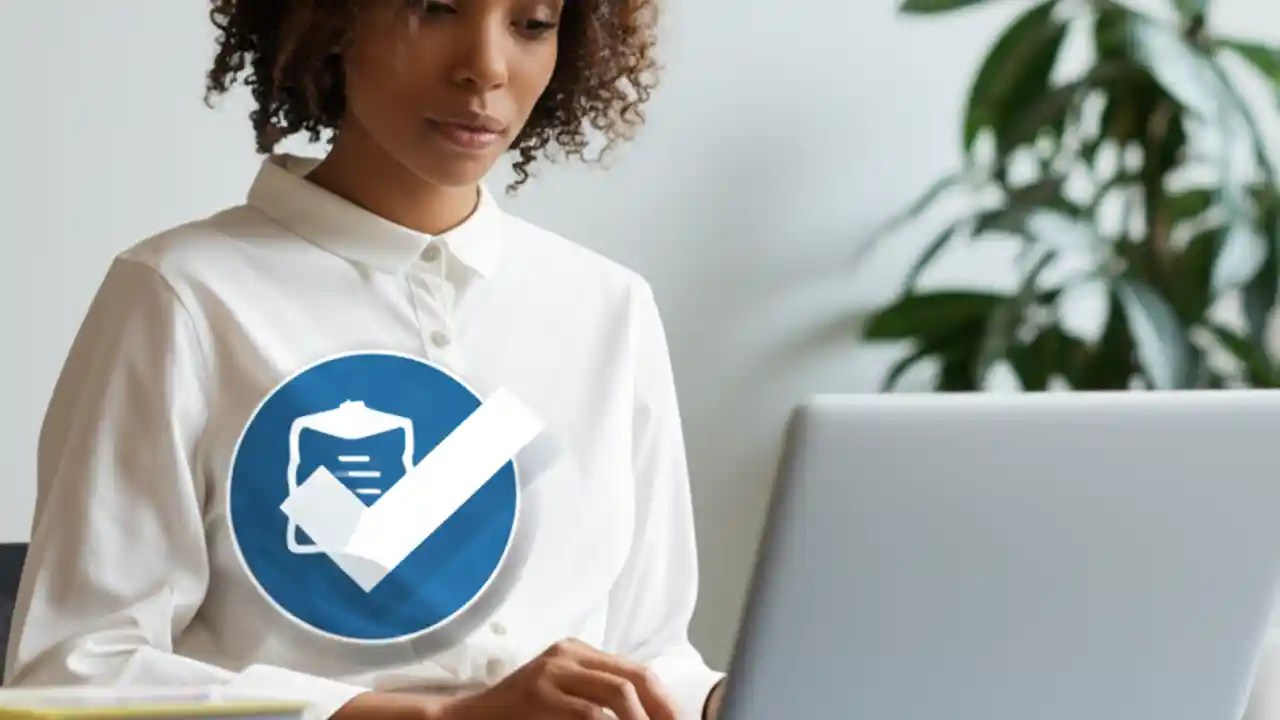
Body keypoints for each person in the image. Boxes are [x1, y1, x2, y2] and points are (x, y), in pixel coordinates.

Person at [3, 1, 727, 719]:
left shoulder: (608, 307)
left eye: (532, 24)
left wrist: (740, 692)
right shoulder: (184, 295)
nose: (486, 68)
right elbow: (74, 675)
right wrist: (442, 717)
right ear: (330, 22)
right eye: (433, 9)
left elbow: (649, 653)